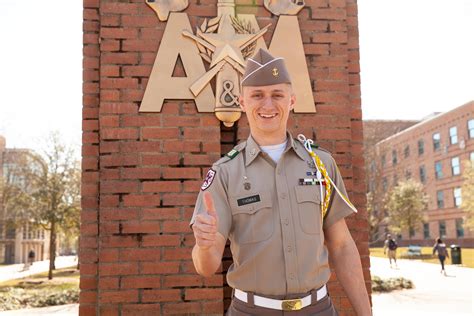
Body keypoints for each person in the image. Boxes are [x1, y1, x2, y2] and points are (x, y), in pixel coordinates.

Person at [190, 49, 371, 315]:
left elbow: (342, 246)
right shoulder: (225, 173)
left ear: (292, 100)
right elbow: (206, 266)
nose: (267, 105)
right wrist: (203, 245)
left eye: (277, 95)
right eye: (257, 95)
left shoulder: (320, 164)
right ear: (242, 102)